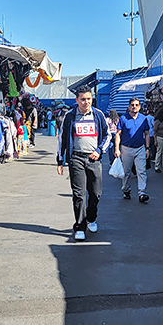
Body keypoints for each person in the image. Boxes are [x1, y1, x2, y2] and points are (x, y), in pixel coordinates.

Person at [56, 88, 110, 240]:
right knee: (79, 195)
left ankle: (91, 218)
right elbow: (63, 138)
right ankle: (80, 226)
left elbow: (107, 135)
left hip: (94, 159)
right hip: (76, 159)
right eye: (83, 99)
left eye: (89, 99)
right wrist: (60, 160)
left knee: (95, 193)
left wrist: (99, 150)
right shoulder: (70, 116)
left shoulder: (98, 115)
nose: (86, 102)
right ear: (77, 100)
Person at [115, 97, 151, 202]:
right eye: (132, 105)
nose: (134, 107)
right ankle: (126, 189)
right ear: (129, 106)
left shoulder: (143, 119)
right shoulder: (123, 118)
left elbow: (147, 134)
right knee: (126, 171)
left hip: (140, 148)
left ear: (139, 107)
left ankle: (142, 193)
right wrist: (117, 149)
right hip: (126, 148)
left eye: (136, 105)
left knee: (141, 171)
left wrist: (147, 148)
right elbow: (118, 134)